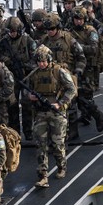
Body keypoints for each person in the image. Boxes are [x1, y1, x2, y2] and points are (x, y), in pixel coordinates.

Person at [25, 46, 77, 188]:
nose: (41, 64)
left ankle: (61, 166)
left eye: (43, 61)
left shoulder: (59, 72)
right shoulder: (34, 74)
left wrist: (60, 104)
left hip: (56, 112)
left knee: (57, 143)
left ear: (49, 60)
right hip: (41, 112)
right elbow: (26, 89)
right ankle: (43, 175)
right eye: (38, 62)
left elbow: (72, 89)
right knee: (40, 144)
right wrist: (29, 96)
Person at [0, 16, 37, 140]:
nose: (12, 34)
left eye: (13, 31)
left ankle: (28, 131)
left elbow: (35, 58)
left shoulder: (28, 40)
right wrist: (7, 61)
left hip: (26, 76)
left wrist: (25, 66)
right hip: (11, 78)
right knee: (12, 105)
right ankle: (15, 132)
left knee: (27, 105)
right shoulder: (4, 42)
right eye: (10, 31)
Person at [69, 7, 103, 132]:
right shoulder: (69, 32)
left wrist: (78, 47)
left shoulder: (91, 31)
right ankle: (83, 118)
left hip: (88, 68)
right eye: (76, 19)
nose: (78, 21)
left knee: (85, 97)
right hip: (74, 67)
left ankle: (96, 115)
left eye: (80, 19)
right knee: (74, 97)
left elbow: (93, 49)